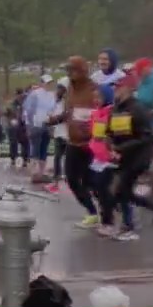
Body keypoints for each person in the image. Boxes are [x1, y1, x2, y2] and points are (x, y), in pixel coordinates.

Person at [106, 75, 153, 239]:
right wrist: (110, 146)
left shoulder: (138, 109)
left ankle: (129, 225)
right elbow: (111, 131)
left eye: (119, 87)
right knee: (125, 192)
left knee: (121, 190)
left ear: (129, 89)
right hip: (123, 156)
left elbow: (148, 136)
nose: (115, 89)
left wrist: (121, 147)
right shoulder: (116, 108)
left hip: (140, 157)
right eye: (114, 87)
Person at [48, 57, 100, 227]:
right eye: (68, 70)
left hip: (90, 143)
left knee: (90, 181)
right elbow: (68, 112)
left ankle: (108, 209)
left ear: (82, 70)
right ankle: (92, 212)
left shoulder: (93, 88)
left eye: (73, 70)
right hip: (73, 142)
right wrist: (54, 120)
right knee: (71, 179)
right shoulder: (70, 88)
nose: (69, 73)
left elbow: (101, 112)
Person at [86, 87, 119, 236]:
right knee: (94, 186)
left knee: (103, 189)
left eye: (99, 97)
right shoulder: (95, 113)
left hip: (108, 159)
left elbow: (114, 135)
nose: (96, 100)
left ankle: (108, 222)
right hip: (96, 157)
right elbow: (94, 134)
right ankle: (108, 213)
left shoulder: (112, 113)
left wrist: (112, 149)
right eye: (94, 97)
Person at [23, 75, 58, 183]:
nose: (48, 85)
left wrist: (52, 124)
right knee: (35, 148)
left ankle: (41, 173)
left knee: (44, 148)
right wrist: (29, 125)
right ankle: (34, 173)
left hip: (47, 124)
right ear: (41, 83)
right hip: (36, 125)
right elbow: (28, 111)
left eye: (50, 83)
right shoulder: (35, 94)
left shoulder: (52, 95)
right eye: (46, 83)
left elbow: (54, 109)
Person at [46, 79, 69, 194]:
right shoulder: (57, 102)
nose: (58, 90)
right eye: (58, 88)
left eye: (61, 88)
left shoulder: (70, 102)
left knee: (69, 158)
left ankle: (70, 181)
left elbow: (65, 116)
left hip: (69, 134)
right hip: (59, 133)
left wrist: (52, 120)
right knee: (57, 157)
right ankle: (55, 182)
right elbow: (52, 115)